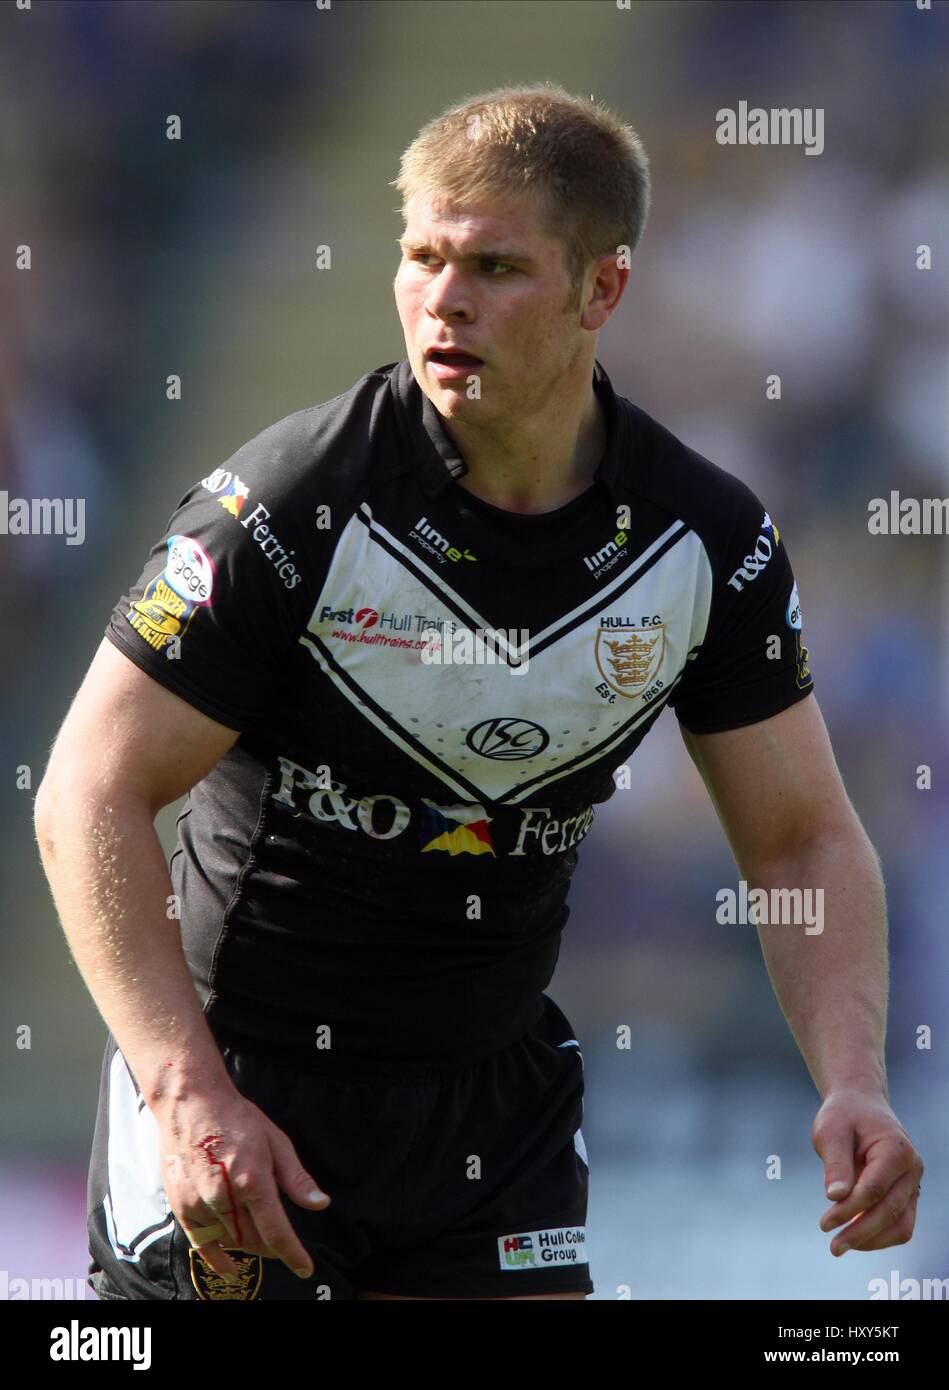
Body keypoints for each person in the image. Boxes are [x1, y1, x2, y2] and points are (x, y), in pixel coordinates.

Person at [34, 82, 922, 1302]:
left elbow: (802, 838)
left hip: (494, 1116)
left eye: (495, 267)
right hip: (247, 1102)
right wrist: (183, 1089)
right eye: (421, 257)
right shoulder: (292, 505)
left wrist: (854, 1076)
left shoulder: (700, 541)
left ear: (602, 289)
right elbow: (87, 787)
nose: (443, 301)